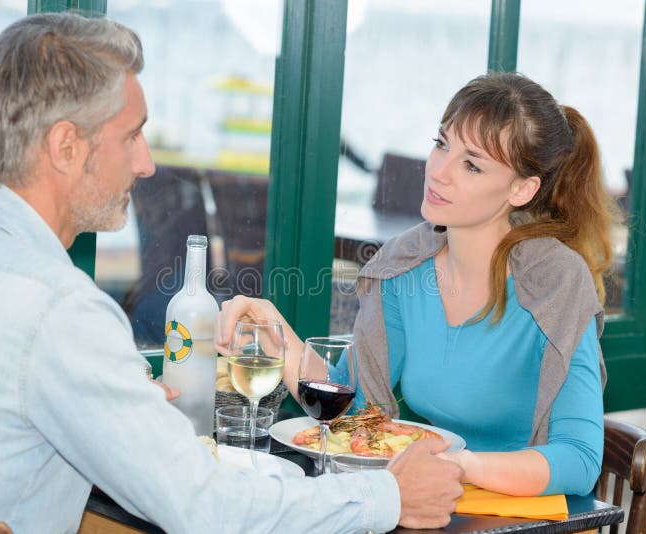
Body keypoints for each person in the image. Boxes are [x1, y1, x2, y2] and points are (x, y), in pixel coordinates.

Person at [0, 12, 463, 533]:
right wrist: (388, 497)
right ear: (65, 147)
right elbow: (204, 509)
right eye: (132, 135)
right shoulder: (58, 311)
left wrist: (112, 394)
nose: (146, 163)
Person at [217, 72, 619, 497]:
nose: (438, 172)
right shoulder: (404, 266)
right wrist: (278, 337)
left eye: (471, 164)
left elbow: (579, 460)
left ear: (522, 189)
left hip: (520, 512)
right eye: (441, 144)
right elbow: (355, 411)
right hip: (433, 503)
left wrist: (459, 466)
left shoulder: (556, 282)